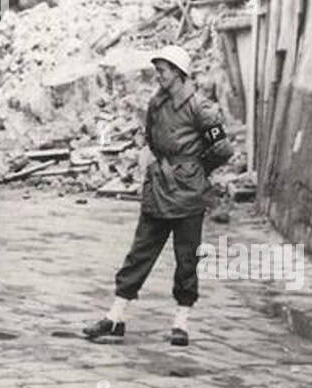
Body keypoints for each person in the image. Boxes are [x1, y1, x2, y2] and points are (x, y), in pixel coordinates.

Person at [83, 44, 233, 347]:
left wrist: (194, 169)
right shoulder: (156, 104)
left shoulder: (202, 108)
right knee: (140, 252)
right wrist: (167, 166)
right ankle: (115, 318)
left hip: (189, 195)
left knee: (186, 257)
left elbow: (223, 148)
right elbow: (152, 138)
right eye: (157, 70)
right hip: (159, 189)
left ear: (178, 73)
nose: (158, 76)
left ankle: (181, 323)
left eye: (162, 70)